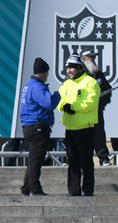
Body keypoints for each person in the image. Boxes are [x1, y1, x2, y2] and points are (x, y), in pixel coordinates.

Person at [56, 55, 100, 197]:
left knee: (86, 161)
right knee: (72, 161)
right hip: (70, 129)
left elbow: (90, 103)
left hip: (85, 128)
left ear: (80, 68)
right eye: (68, 68)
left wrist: (73, 106)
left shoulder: (90, 83)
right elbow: (59, 100)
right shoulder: (67, 84)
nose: (69, 71)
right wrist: (64, 106)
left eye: (72, 67)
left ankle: (88, 190)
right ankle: (73, 190)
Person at [18, 57, 55, 196]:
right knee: (37, 159)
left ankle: (26, 188)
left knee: (33, 157)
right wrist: (57, 97)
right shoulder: (38, 86)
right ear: (43, 72)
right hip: (38, 126)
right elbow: (49, 103)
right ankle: (34, 188)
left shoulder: (28, 85)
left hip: (29, 126)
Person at [80, 50, 114, 165]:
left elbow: (108, 91)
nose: (93, 60)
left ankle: (103, 158)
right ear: (83, 59)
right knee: (82, 137)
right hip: (82, 113)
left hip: (97, 111)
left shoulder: (98, 74)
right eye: (91, 57)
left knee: (99, 135)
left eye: (94, 57)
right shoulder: (79, 74)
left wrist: (101, 103)